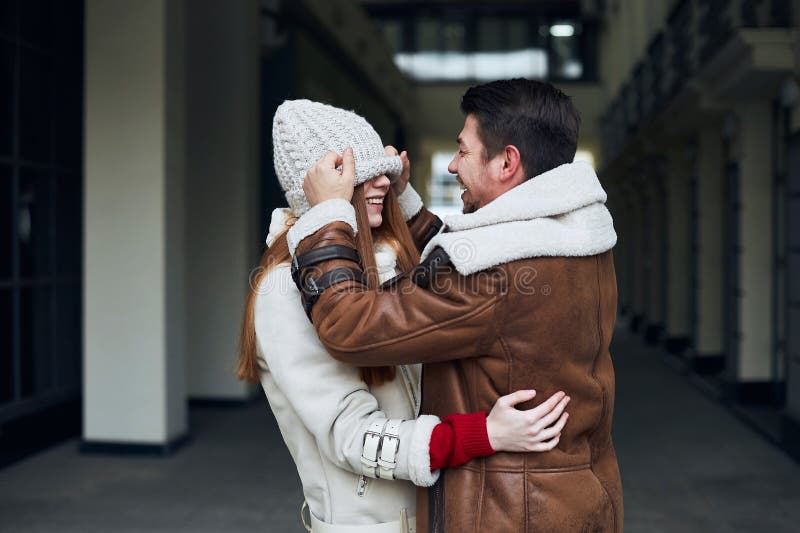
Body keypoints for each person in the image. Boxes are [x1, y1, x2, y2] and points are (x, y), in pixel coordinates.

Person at [288, 79, 623, 533]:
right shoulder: (576, 235)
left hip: (510, 515)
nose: (450, 164)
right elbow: (474, 262)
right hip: (575, 498)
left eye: (463, 152)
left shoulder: (493, 277)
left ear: (507, 161)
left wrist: (326, 217)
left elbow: (352, 328)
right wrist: (406, 206)